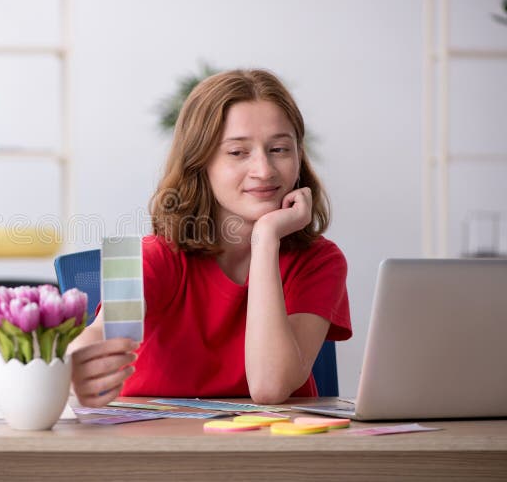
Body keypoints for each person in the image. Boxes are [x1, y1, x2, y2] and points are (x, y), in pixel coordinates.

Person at [68, 69, 352, 407]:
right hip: (152, 452)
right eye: (237, 152)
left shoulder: (320, 261)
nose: (264, 170)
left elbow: (269, 387)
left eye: (279, 149)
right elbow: (98, 335)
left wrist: (265, 239)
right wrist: (74, 364)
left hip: (274, 456)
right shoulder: (150, 256)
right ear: (200, 161)